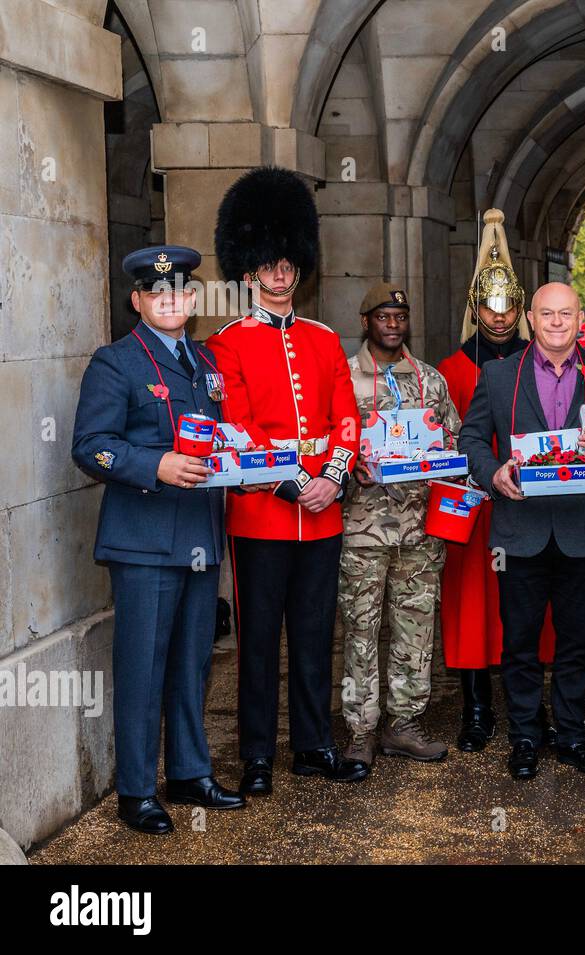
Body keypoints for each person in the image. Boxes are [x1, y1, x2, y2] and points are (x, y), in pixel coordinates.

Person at [72, 245, 244, 834]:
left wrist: (237, 448)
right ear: (138, 300)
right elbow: (90, 444)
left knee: (194, 661)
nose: (170, 301)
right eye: (157, 293)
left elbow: (211, 436)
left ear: (193, 300)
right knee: (143, 667)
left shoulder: (204, 362)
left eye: (180, 293)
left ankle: (191, 771)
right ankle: (137, 789)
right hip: (143, 539)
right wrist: (156, 465)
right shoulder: (116, 361)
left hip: (198, 533)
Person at [207, 166, 367, 794]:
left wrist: (331, 477)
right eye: (270, 263)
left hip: (323, 514)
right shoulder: (228, 344)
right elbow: (236, 427)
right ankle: (254, 755)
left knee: (312, 635)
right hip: (262, 516)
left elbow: (345, 418)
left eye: (288, 263)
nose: (280, 274)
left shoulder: (324, 341)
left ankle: (312, 744)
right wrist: (285, 484)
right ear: (250, 271)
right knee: (256, 644)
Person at [458, 282, 585, 780]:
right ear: (530, 318)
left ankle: (574, 736)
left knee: (577, 644)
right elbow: (471, 436)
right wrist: (491, 472)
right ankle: (526, 737)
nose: (557, 322)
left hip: (581, 530)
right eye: (547, 314)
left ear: (581, 319)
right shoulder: (497, 374)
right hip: (519, 532)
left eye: (566, 314)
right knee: (520, 644)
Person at [435, 209, 556, 753]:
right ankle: (477, 706)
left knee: (532, 608)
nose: (501, 316)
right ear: (475, 307)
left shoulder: (544, 363)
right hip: (474, 506)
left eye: (510, 306)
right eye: (491, 305)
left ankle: (534, 706)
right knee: (471, 606)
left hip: (529, 504)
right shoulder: (452, 368)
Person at [338, 282, 461, 767]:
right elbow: (327, 445)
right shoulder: (343, 378)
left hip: (419, 531)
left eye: (400, 317)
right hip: (362, 530)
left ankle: (403, 724)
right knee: (360, 631)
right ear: (365, 322)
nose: (393, 325)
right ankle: (360, 730)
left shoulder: (429, 380)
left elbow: (454, 443)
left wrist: (441, 456)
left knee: (415, 632)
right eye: (383, 317)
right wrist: (350, 464)